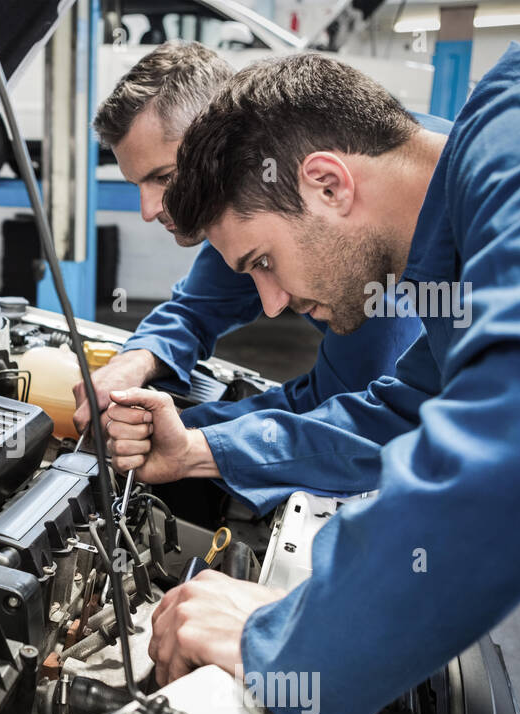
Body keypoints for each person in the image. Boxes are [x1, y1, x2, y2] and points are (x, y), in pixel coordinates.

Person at [102, 47, 520, 714]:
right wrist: (200, 448)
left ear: (327, 185)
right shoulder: (462, 260)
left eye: (263, 262)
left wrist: (284, 645)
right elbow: (401, 414)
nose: (272, 302)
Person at [75, 41, 435, 456]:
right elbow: (196, 308)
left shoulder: (366, 230)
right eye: (137, 184)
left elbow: (353, 414)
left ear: (223, 141)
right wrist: (133, 361)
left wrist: (188, 438)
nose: (148, 209)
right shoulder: (254, 210)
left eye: (164, 177)